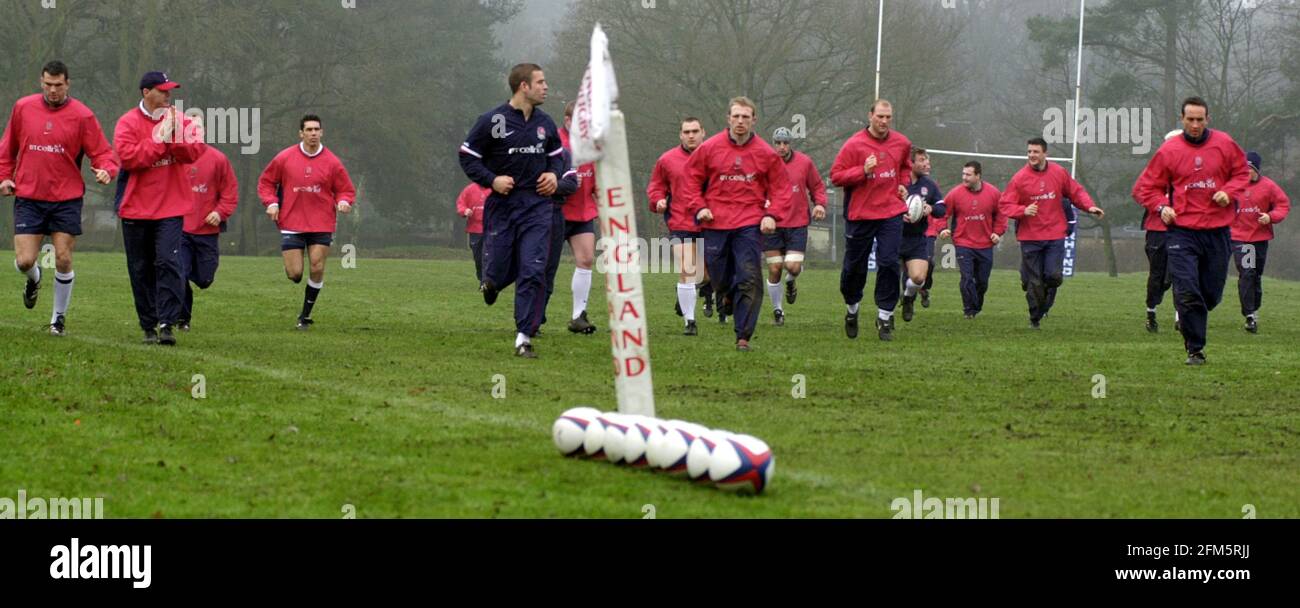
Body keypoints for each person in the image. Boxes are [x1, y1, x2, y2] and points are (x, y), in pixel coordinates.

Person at [0, 60, 118, 336]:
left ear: (68, 84)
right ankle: (35, 279)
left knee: (63, 258)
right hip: (29, 196)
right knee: (25, 261)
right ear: (41, 82)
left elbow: (102, 152)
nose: (53, 90)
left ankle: (58, 319)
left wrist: (106, 171)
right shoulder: (23, 108)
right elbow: (8, 149)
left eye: (58, 85)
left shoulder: (83, 115)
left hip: (66, 198)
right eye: (48, 84)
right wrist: (5, 176)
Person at [1132, 96, 1251, 365]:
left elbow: (1242, 174)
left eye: (1200, 119)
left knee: (1210, 294)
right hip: (1181, 232)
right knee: (1186, 291)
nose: (1195, 124)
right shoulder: (1168, 151)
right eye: (1190, 119)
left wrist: (1228, 192)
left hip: (1217, 231)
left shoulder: (1224, 144)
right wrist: (1162, 206)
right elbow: (1145, 188)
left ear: (1208, 119)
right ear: (1182, 119)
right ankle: (1194, 350)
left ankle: (1193, 314)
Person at [458, 63, 565, 358]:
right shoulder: (493, 121)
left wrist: (554, 175)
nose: (546, 87)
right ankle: (491, 284)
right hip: (503, 207)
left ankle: (523, 337)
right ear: (523, 87)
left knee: (533, 268)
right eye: (541, 82)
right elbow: (467, 156)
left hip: (538, 207)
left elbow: (558, 158)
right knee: (501, 268)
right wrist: (492, 179)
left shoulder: (546, 123)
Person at [681, 96, 791, 351]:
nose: (740, 121)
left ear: (754, 120)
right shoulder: (709, 148)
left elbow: (781, 188)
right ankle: (725, 293)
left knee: (749, 276)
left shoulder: (766, 153)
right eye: (736, 116)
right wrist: (700, 207)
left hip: (749, 224)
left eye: (746, 117)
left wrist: (771, 214)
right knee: (718, 277)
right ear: (728, 119)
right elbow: (690, 181)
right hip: (715, 223)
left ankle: (743, 335)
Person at [113, 71, 207, 345]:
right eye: (162, 90)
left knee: (168, 261)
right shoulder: (127, 122)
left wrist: (172, 134)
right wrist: (159, 138)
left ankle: (167, 322)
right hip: (135, 209)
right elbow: (131, 159)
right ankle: (148, 325)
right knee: (140, 268)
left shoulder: (181, 120)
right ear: (146, 92)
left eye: (170, 91)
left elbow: (193, 152)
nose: (168, 95)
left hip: (171, 206)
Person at [257, 114, 357, 330]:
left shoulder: (332, 162)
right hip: (292, 221)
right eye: (309, 130)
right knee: (295, 274)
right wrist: (271, 202)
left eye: (316, 130)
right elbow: (266, 182)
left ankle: (305, 315)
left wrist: (344, 201)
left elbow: (346, 190)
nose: (313, 134)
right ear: (300, 133)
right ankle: (292, 270)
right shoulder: (284, 158)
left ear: (321, 132)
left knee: (317, 265)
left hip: (321, 223)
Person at [998, 137, 1103, 329]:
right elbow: (1005, 204)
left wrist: (1089, 207)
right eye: (1029, 152)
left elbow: (1076, 192)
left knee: (1053, 276)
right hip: (1030, 237)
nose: (1031, 155)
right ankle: (1035, 317)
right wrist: (1022, 211)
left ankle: (1041, 303)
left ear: (1045, 153)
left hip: (1055, 235)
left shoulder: (1058, 173)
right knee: (1034, 281)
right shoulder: (1019, 178)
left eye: (1035, 152)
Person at [830, 99, 912, 341]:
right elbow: (835, 176)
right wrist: (862, 171)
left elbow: (906, 168)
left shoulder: (902, 143)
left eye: (888, 117)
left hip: (890, 212)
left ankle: (884, 316)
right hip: (861, 214)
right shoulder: (854, 145)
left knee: (888, 262)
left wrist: (903, 185)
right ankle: (852, 309)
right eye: (880, 117)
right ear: (870, 116)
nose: (884, 121)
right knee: (855, 267)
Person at [647, 116, 712, 334]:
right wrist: (658, 200)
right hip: (680, 221)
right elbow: (656, 186)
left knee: (705, 276)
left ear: (703, 132)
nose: (691, 136)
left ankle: (686, 292)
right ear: (680, 135)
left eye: (695, 131)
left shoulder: (716, 157)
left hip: (712, 222)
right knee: (688, 268)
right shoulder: (667, 160)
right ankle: (690, 322)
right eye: (687, 132)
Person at [764, 126, 826, 326]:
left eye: (785, 143)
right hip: (772, 224)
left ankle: (791, 281)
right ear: (773, 144)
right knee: (774, 268)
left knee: (792, 266)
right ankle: (778, 311)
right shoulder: (765, 163)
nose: (782, 147)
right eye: (778, 143)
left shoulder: (804, 162)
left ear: (790, 143)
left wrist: (819, 204)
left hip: (797, 222)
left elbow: (817, 185)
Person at [179, 145, 238, 330]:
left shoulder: (218, 159)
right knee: (179, 273)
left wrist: (220, 213)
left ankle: (184, 276)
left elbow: (230, 192)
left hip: (207, 231)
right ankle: (182, 319)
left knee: (205, 279)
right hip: (179, 228)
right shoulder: (175, 157)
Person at [1229, 151, 1289, 334]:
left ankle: (1254, 309)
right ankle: (1249, 315)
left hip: (1260, 238)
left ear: (1257, 169)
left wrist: (1270, 217)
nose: (1247, 173)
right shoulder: (1234, 185)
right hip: (1240, 237)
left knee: (1255, 275)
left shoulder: (1269, 186)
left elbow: (1283, 205)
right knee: (1247, 273)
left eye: (1251, 169)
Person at [938, 162, 1004, 318]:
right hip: (963, 243)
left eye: (968, 175)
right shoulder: (955, 193)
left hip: (985, 245)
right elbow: (942, 211)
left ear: (978, 176)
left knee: (982, 281)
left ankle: (976, 306)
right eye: (963, 174)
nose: (964, 178)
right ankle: (968, 310)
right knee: (967, 277)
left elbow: (1002, 215)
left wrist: (997, 232)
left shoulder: (994, 193)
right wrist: (942, 228)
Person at [898, 147, 944, 322]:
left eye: (927, 160)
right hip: (893, 236)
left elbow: (942, 208)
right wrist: (897, 212)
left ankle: (909, 297)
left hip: (916, 238)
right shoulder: (897, 182)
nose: (927, 163)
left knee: (918, 278)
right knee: (888, 278)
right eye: (922, 160)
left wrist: (930, 208)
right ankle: (885, 317)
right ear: (911, 163)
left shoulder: (929, 185)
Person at [455, 181, 490, 282]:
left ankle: (486, 282)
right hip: (475, 229)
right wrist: (465, 211)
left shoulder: (495, 188)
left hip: (491, 229)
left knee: (487, 255)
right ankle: (481, 278)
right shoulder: (469, 189)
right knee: (478, 257)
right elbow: (460, 204)